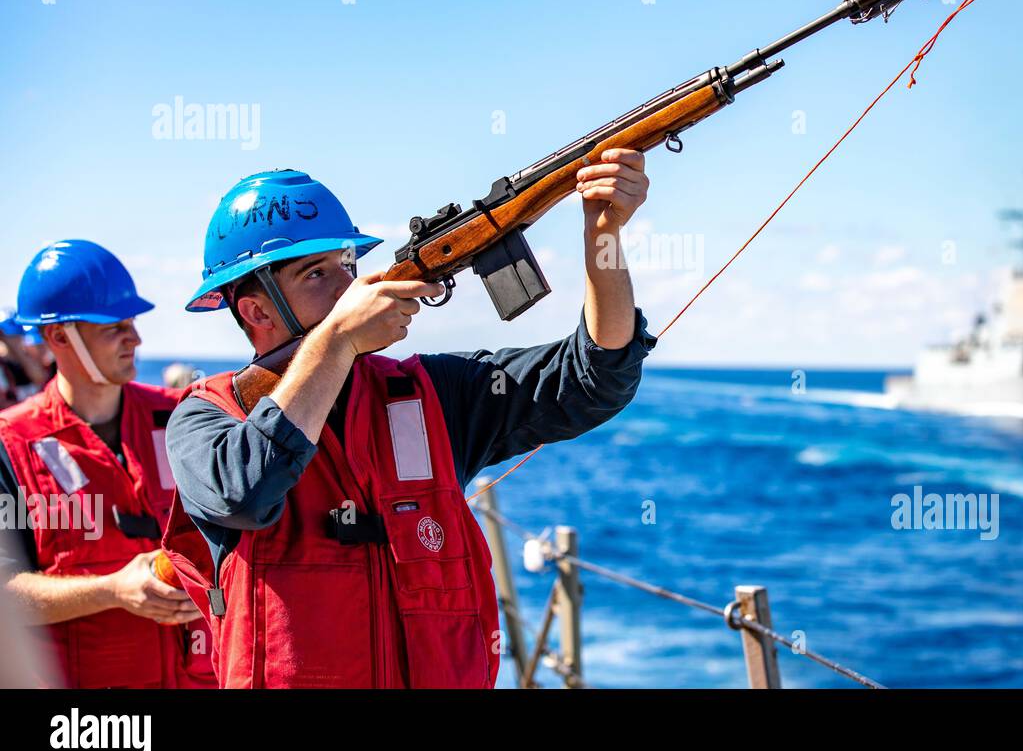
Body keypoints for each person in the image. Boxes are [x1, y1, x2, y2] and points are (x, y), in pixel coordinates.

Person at [163, 161, 655, 688]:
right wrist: (338, 342)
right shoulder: (205, 418)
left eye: (346, 263)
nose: (349, 288)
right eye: (317, 273)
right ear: (257, 311)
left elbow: (592, 380)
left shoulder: (430, 395)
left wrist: (603, 237)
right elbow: (246, 491)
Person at [0, 240, 214, 688]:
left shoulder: (181, 415)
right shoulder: (11, 445)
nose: (134, 338)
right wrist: (111, 590)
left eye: (132, 322)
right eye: (113, 326)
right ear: (59, 336)